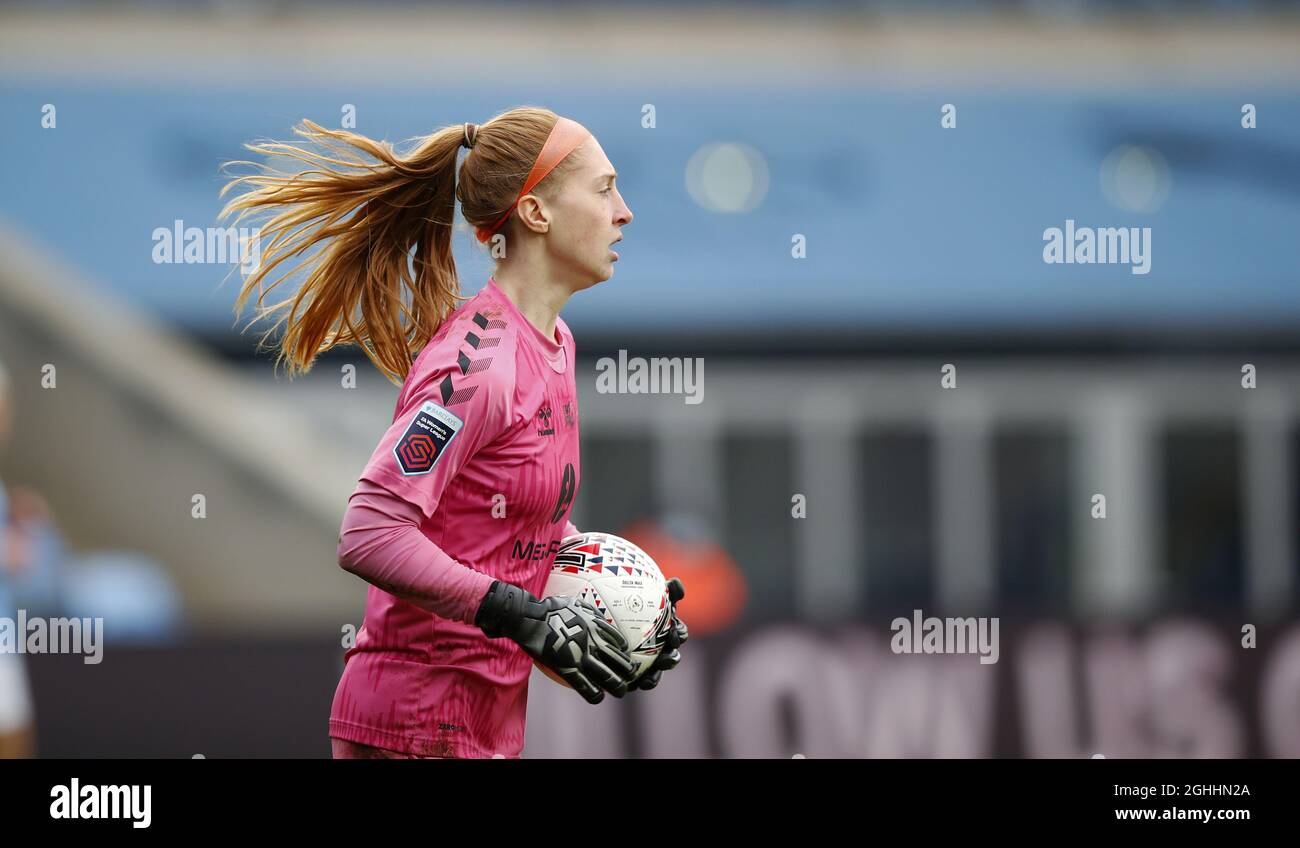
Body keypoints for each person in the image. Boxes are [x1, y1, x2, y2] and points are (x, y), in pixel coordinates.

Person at [221, 107, 688, 759]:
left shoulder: (554, 343)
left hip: (475, 726)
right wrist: (515, 612)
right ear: (536, 213)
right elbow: (370, 532)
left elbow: (512, 532)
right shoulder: (480, 365)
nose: (624, 211)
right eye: (605, 188)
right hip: (412, 722)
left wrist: (625, 598)